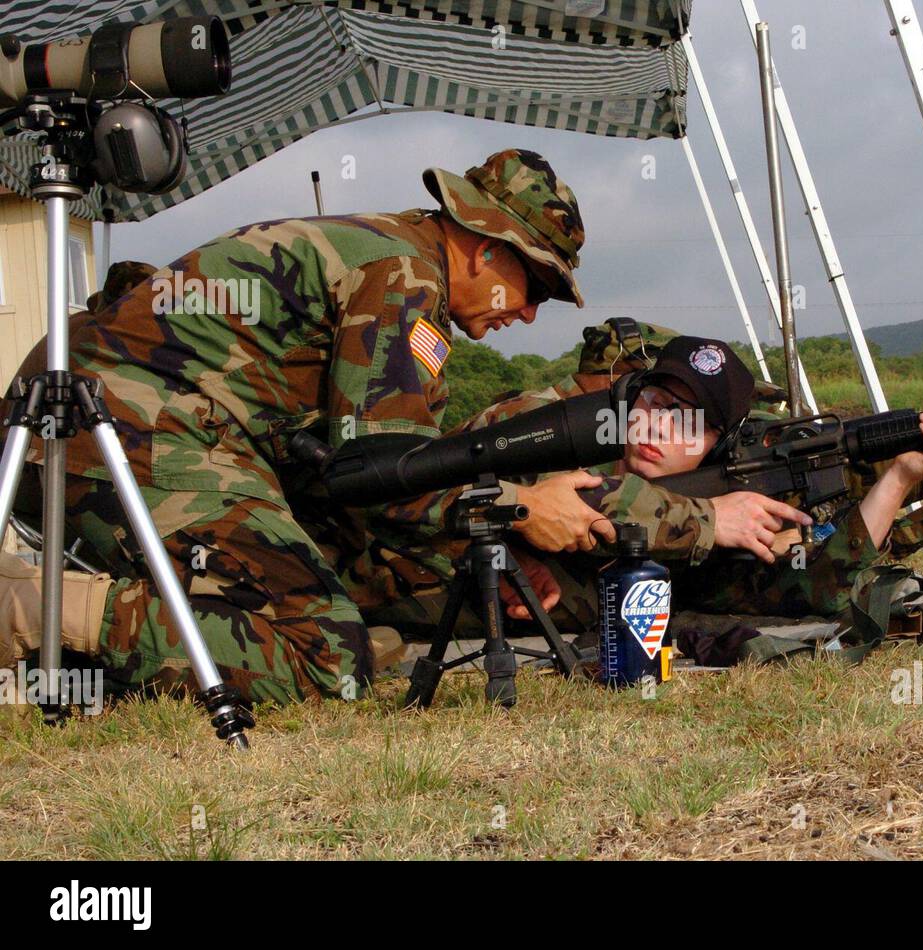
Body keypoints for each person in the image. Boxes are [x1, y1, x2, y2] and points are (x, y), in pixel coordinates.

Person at [0, 148, 620, 704]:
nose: (533, 313)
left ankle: (103, 636)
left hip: (128, 427)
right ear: (486, 245)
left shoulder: (389, 251)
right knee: (328, 656)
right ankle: (30, 607)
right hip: (137, 431)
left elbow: (355, 469)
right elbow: (383, 476)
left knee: (343, 592)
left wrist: (488, 538)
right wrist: (521, 507)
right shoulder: (404, 277)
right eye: (535, 284)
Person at [444, 333, 923, 634]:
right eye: (652, 402)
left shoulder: (708, 548)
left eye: (689, 420)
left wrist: (902, 477)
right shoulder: (558, 449)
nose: (657, 426)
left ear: (718, 446)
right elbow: (452, 485)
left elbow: (815, 590)